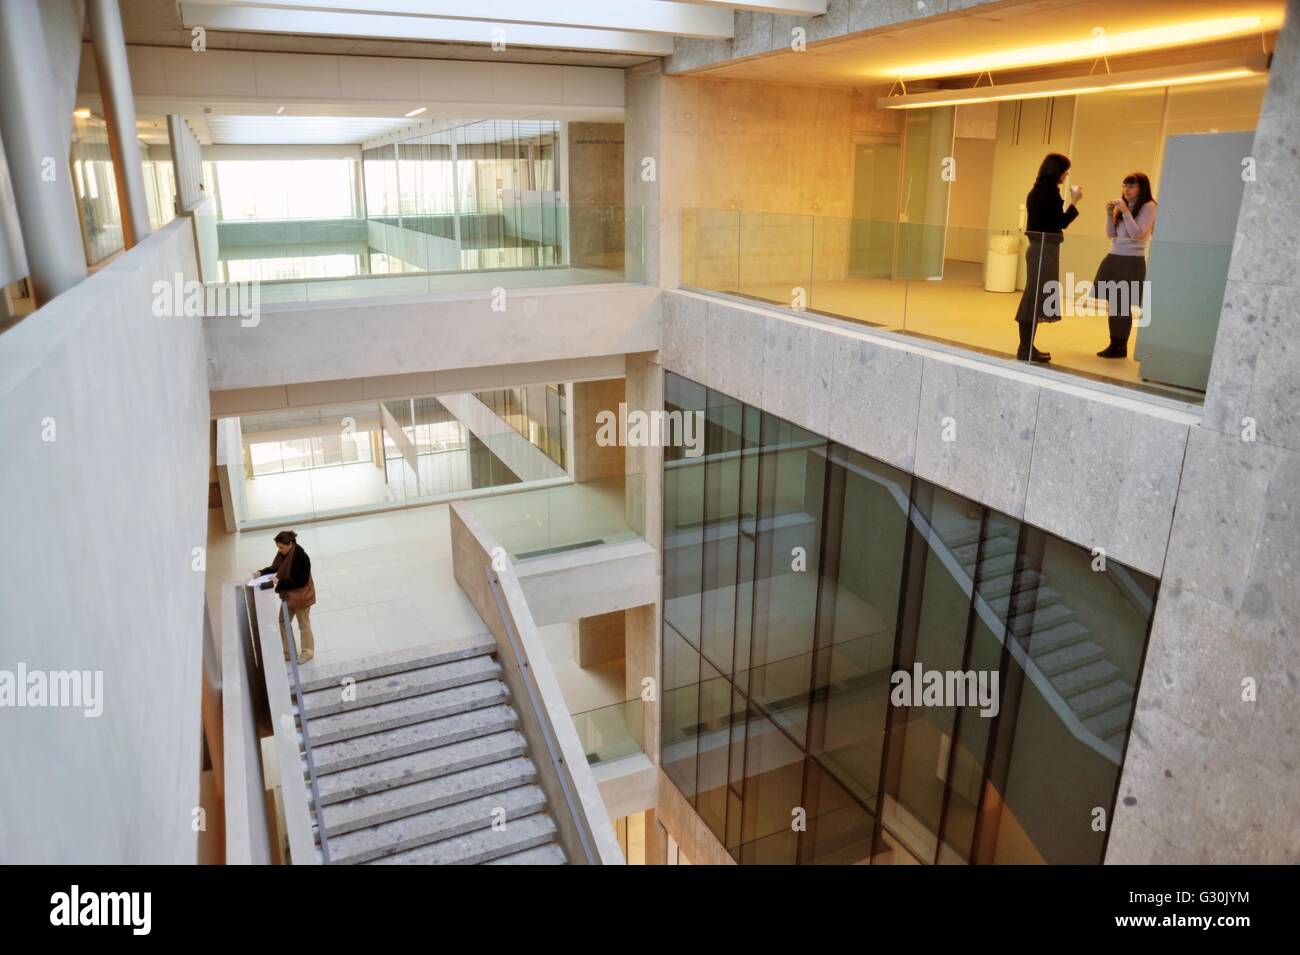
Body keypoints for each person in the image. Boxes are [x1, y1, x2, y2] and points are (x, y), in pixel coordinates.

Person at [1013, 153, 1083, 363]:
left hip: (1040, 249)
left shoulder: (1037, 191)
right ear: (1057, 172)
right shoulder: (1049, 194)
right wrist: (1075, 202)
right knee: (1034, 298)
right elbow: (1060, 222)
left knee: (1035, 296)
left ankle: (1027, 346)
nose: (1066, 175)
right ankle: (1025, 347)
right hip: (1044, 251)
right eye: (1065, 171)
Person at [1093, 172, 1156, 358]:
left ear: (1141, 188)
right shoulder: (1123, 206)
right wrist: (1108, 213)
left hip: (1131, 260)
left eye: (1131, 186)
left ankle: (1121, 346)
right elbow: (1111, 234)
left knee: (1123, 304)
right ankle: (1114, 344)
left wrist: (1126, 212)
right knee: (1114, 304)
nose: (1126, 189)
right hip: (1114, 256)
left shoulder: (1149, 206)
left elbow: (1136, 233)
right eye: (1124, 185)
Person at [256, 530, 316, 665]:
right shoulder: (284, 554)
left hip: (301, 597)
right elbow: (275, 567)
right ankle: (289, 652)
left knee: (303, 624)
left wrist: (280, 582)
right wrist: (261, 572)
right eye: (278, 547)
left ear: (290, 544)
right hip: (288, 595)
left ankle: (308, 652)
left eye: (281, 547)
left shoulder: (302, 557)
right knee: (283, 621)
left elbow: (301, 581)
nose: (279, 550)